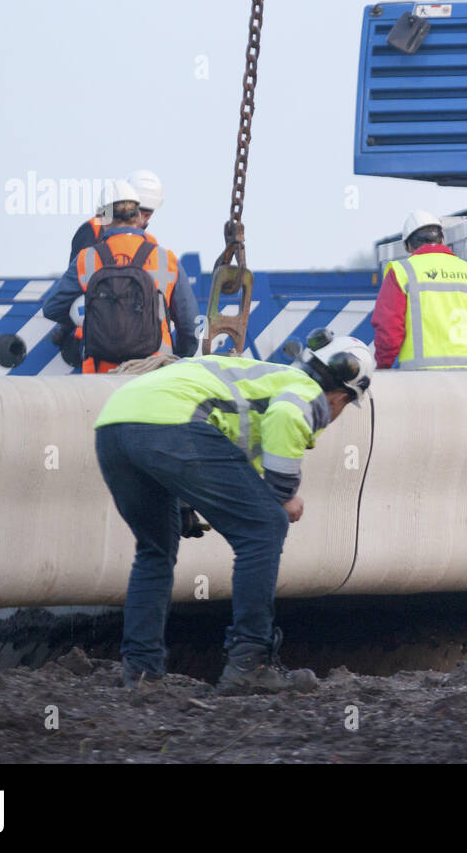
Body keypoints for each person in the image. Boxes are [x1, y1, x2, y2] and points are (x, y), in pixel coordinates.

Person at [93, 331, 375, 692]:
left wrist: (182, 500)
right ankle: (250, 663)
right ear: (341, 395)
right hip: (169, 424)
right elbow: (287, 416)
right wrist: (284, 495)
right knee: (265, 526)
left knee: (155, 550)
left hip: (115, 424)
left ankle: (141, 671)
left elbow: (212, 446)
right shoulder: (305, 391)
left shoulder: (261, 379)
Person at [43, 178, 198, 373]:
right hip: (155, 371)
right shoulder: (165, 259)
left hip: (100, 375)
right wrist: (179, 357)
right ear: (138, 216)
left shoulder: (86, 259)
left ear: (103, 217)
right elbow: (190, 325)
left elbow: (52, 308)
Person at [371, 210, 467, 370]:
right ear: (442, 239)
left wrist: (382, 368)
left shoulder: (402, 273)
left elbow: (389, 331)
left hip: (419, 382)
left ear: (408, 246)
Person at [55, 178, 163, 369]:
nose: (145, 220)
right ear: (136, 213)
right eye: (144, 214)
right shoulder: (159, 253)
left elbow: (59, 301)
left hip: (98, 359)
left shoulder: (88, 249)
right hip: (151, 363)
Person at [66, 170, 164, 263]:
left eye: (147, 216)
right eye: (137, 212)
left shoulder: (150, 241)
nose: (141, 220)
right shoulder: (92, 228)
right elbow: (77, 272)